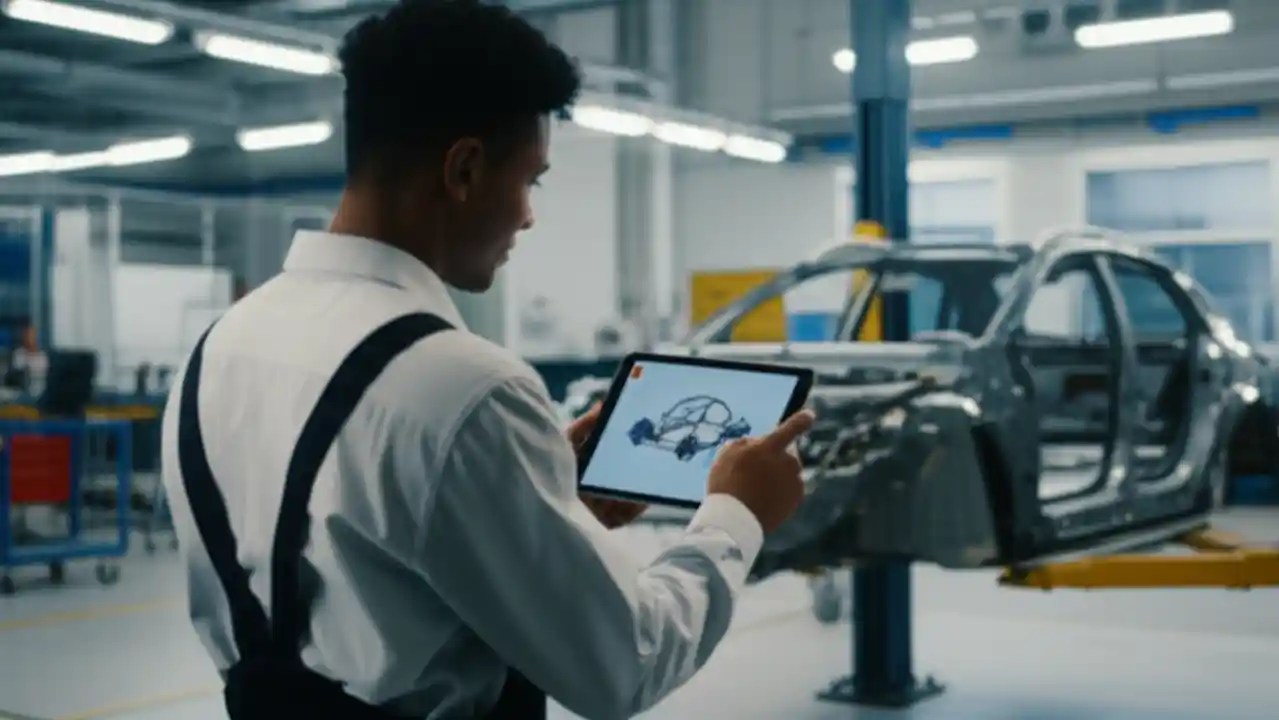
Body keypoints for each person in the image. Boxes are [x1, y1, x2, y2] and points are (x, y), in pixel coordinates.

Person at [160, 1, 814, 719]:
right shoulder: (467, 391)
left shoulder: (219, 344)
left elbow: (346, 561)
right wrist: (736, 514)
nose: (529, 216)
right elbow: (626, 664)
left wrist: (525, 495)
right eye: (531, 180)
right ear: (465, 169)